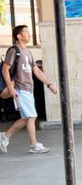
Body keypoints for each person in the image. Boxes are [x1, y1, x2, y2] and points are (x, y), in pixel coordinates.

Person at [0, 25, 58, 155]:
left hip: (28, 89)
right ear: (19, 36)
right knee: (31, 116)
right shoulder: (14, 50)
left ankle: (4, 137)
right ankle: (33, 145)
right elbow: (5, 70)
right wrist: (11, 88)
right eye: (26, 32)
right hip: (19, 88)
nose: (29, 34)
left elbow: (37, 71)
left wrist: (49, 84)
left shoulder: (28, 52)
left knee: (27, 117)